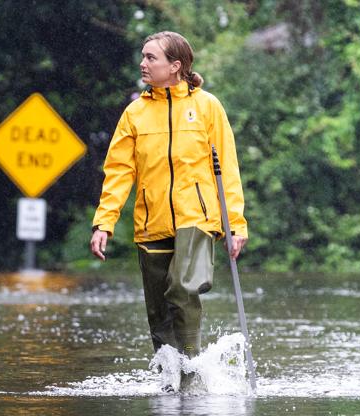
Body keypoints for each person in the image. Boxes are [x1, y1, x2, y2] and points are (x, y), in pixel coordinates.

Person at [91, 31, 247, 359]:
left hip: (198, 218)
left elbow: (228, 169)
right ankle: (168, 378)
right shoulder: (134, 114)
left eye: (151, 57)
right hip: (152, 222)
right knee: (158, 310)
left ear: (175, 66)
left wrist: (235, 223)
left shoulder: (207, 107)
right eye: (143, 56)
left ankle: (192, 369)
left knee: (181, 287)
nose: (143, 63)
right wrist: (104, 222)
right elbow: (119, 172)